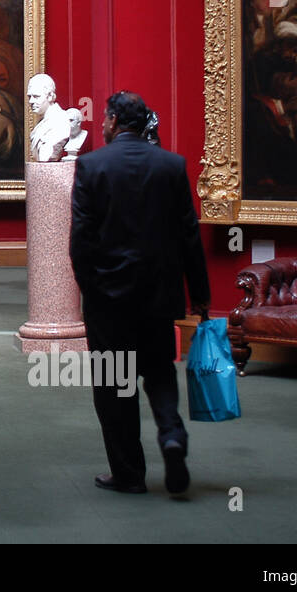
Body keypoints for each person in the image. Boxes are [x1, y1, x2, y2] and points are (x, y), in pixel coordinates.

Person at [69, 91, 211, 496]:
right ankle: (171, 434)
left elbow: (81, 239)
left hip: (109, 298)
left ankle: (129, 474)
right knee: (160, 372)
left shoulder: (92, 166)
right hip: (158, 294)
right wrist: (199, 294)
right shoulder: (171, 166)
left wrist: (89, 288)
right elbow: (189, 236)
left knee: (116, 385)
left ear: (113, 120)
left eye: (105, 119)